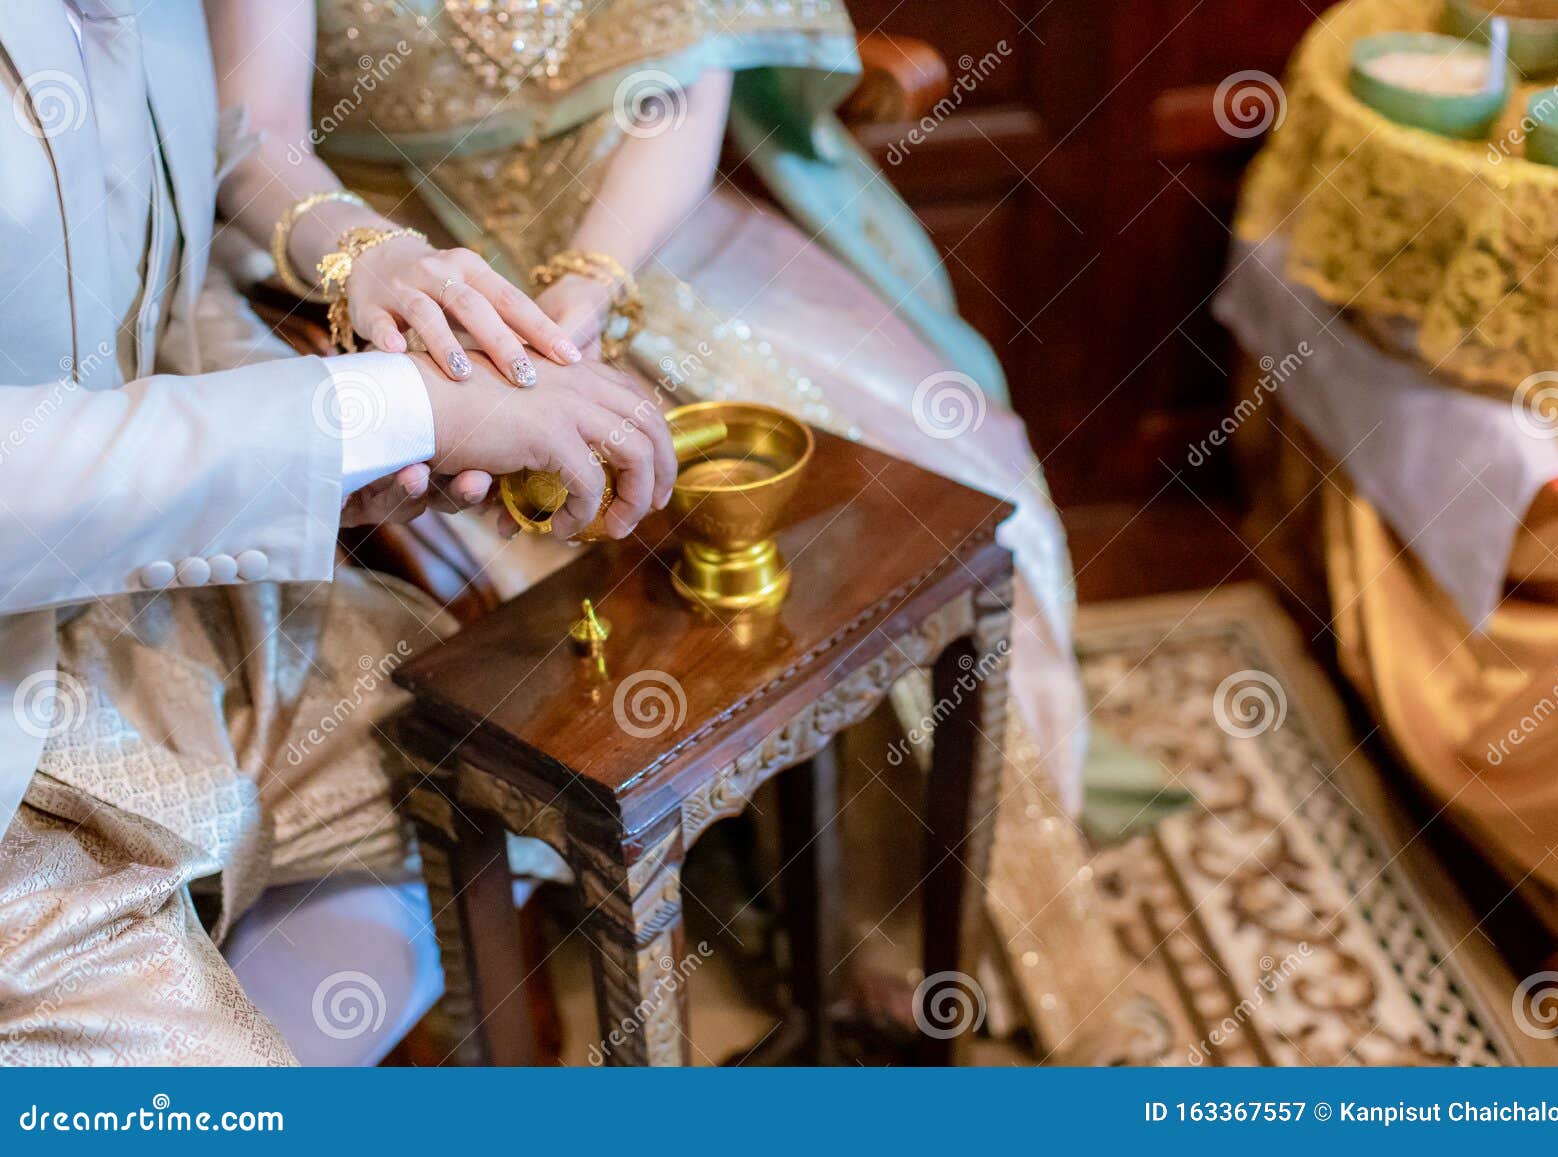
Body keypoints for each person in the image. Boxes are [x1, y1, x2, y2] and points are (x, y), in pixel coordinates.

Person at [200, 0, 1165, 1051]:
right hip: (426, 287)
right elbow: (256, 139)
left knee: (944, 500)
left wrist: (586, 288)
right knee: (587, 596)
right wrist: (380, 268)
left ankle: (897, 935)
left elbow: (684, 70)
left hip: (643, 229)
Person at [0, 0, 673, 1064]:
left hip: (130, 605)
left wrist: (333, 446)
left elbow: (162, 259)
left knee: (527, 764)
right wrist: (389, 408)